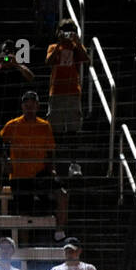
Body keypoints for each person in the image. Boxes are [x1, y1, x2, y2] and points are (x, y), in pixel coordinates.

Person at [0, 91, 56, 216]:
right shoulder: (12, 125)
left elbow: (50, 151)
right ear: (22, 107)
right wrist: (5, 160)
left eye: (32, 105)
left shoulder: (45, 126)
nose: (29, 108)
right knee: (24, 214)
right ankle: (25, 235)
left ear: (38, 106)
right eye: (26, 105)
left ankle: (57, 233)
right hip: (19, 176)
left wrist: (51, 170)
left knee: (55, 202)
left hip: (40, 175)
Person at [45, 18, 90, 170]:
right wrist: (59, 43)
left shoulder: (76, 47)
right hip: (56, 92)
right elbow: (48, 62)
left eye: (69, 31)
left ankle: (74, 163)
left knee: (73, 129)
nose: (66, 34)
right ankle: (53, 164)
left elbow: (86, 59)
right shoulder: (53, 47)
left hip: (72, 91)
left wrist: (77, 42)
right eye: (64, 31)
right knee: (55, 129)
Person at [0, 41, 35, 137]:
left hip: (14, 110)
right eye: (5, 51)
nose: (7, 55)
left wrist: (17, 64)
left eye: (10, 52)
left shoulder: (18, 69)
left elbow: (31, 78)